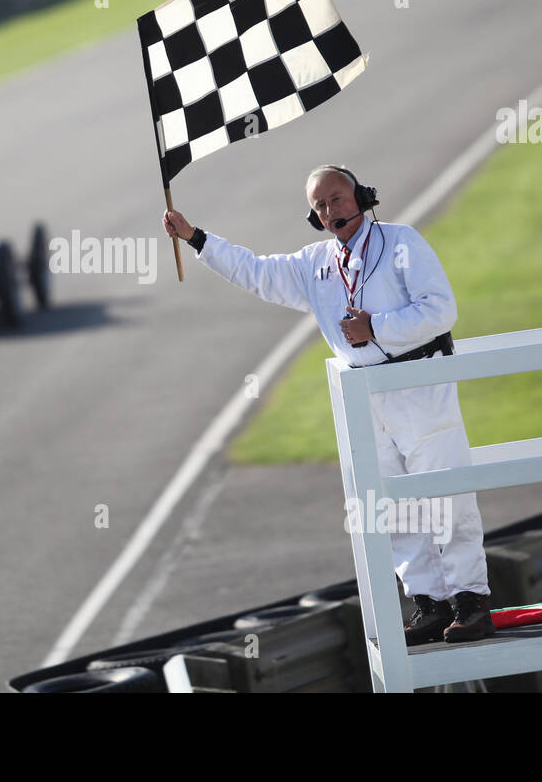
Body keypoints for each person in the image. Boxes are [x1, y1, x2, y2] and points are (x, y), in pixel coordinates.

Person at [161, 165, 494, 644]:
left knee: (446, 495)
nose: (329, 210)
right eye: (319, 205)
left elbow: (440, 310)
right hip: (365, 396)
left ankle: (471, 601)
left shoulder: (402, 242)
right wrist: (195, 238)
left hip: (420, 386)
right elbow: (255, 272)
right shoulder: (313, 262)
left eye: (336, 199)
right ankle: (430, 604)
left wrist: (375, 327)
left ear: (360, 195)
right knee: (393, 507)